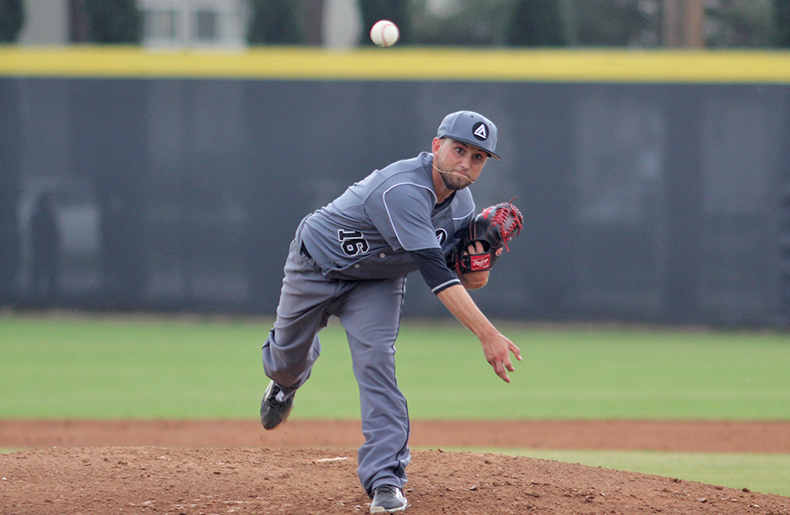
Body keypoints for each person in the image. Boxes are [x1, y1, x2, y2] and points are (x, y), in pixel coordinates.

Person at [260, 111, 521, 514]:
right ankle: (289, 377)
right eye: (459, 150)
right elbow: (436, 276)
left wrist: (479, 259)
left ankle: (386, 479)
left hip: (376, 283)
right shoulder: (402, 189)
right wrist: (488, 334)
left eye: (478, 157)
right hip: (315, 266)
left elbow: (467, 279)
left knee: (377, 363)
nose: (466, 163)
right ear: (437, 146)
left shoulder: (461, 204)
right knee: (285, 362)